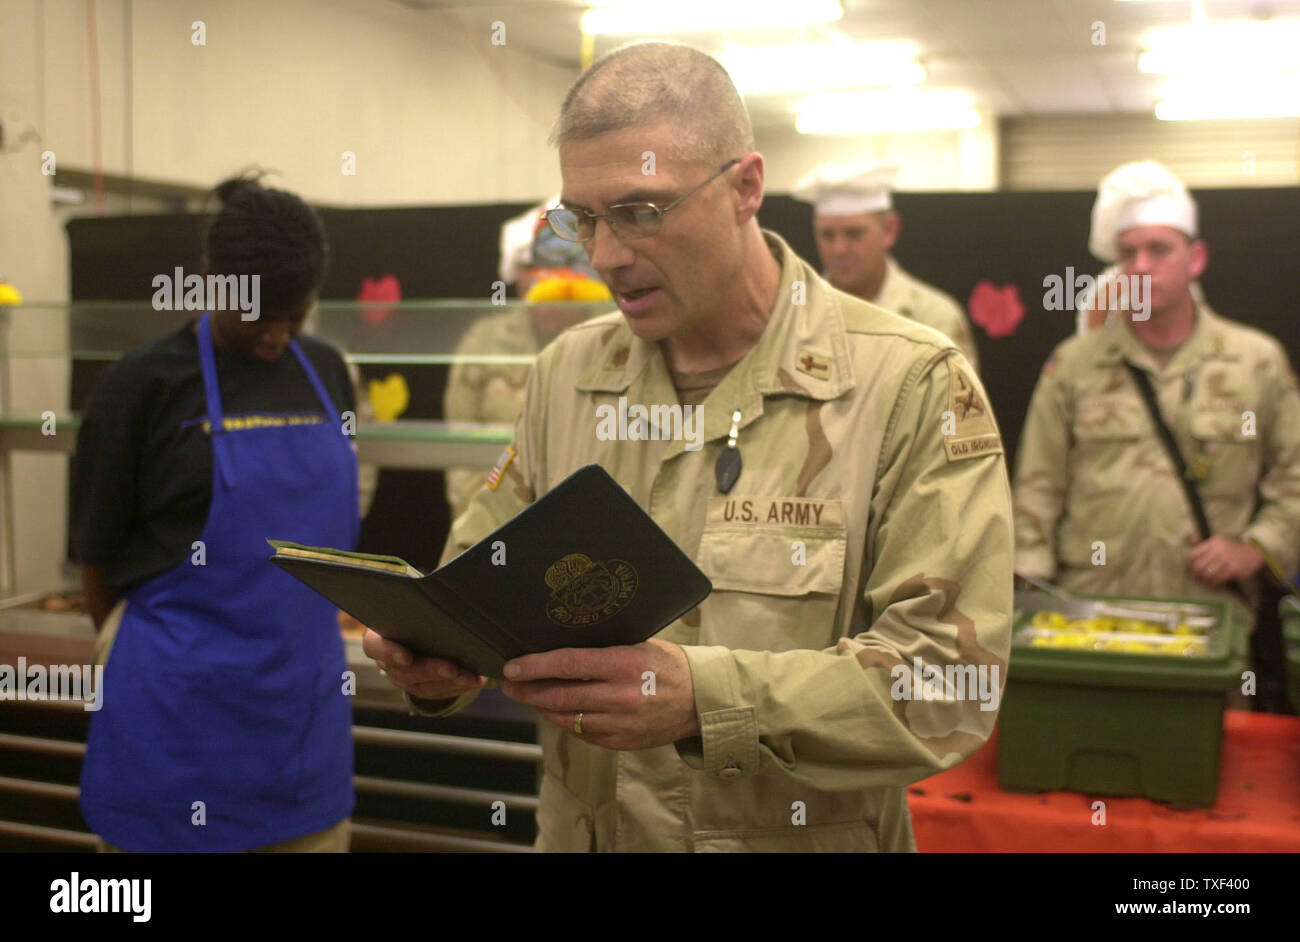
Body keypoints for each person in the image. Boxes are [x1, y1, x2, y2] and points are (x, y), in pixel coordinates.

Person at [367, 41, 1012, 852]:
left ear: (745, 187)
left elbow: (948, 685)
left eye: (642, 212)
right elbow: (477, 587)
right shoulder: (568, 374)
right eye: (583, 219)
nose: (604, 257)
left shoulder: (907, 385)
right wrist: (438, 659)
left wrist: (706, 698)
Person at [73, 172, 359, 852]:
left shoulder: (327, 371)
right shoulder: (142, 384)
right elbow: (96, 558)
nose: (275, 336)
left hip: (303, 727)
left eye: (296, 312)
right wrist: (169, 663)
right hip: (176, 731)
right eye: (258, 314)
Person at [1014, 160, 1300, 606]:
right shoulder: (1075, 365)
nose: (1142, 266)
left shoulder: (1255, 362)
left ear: (1196, 258)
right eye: (1128, 253)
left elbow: (1294, 477)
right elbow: (1038, 484)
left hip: (1211, 612)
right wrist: (1032, 586)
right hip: (1092, 609)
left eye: (1159, 249)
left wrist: (1257, 547)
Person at [443, 205, 609, 519]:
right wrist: (480, 534)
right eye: (531, 267)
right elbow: (459, 451)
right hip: (498, 522)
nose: (541, 281)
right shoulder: (483, 341)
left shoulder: (614, 341)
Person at [792, 162, 981, 370]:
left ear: (889, 230)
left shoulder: (934, 316)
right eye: (827, 235)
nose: (839, 249)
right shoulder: (797, 304)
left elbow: (956, 399)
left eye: (854, 234)